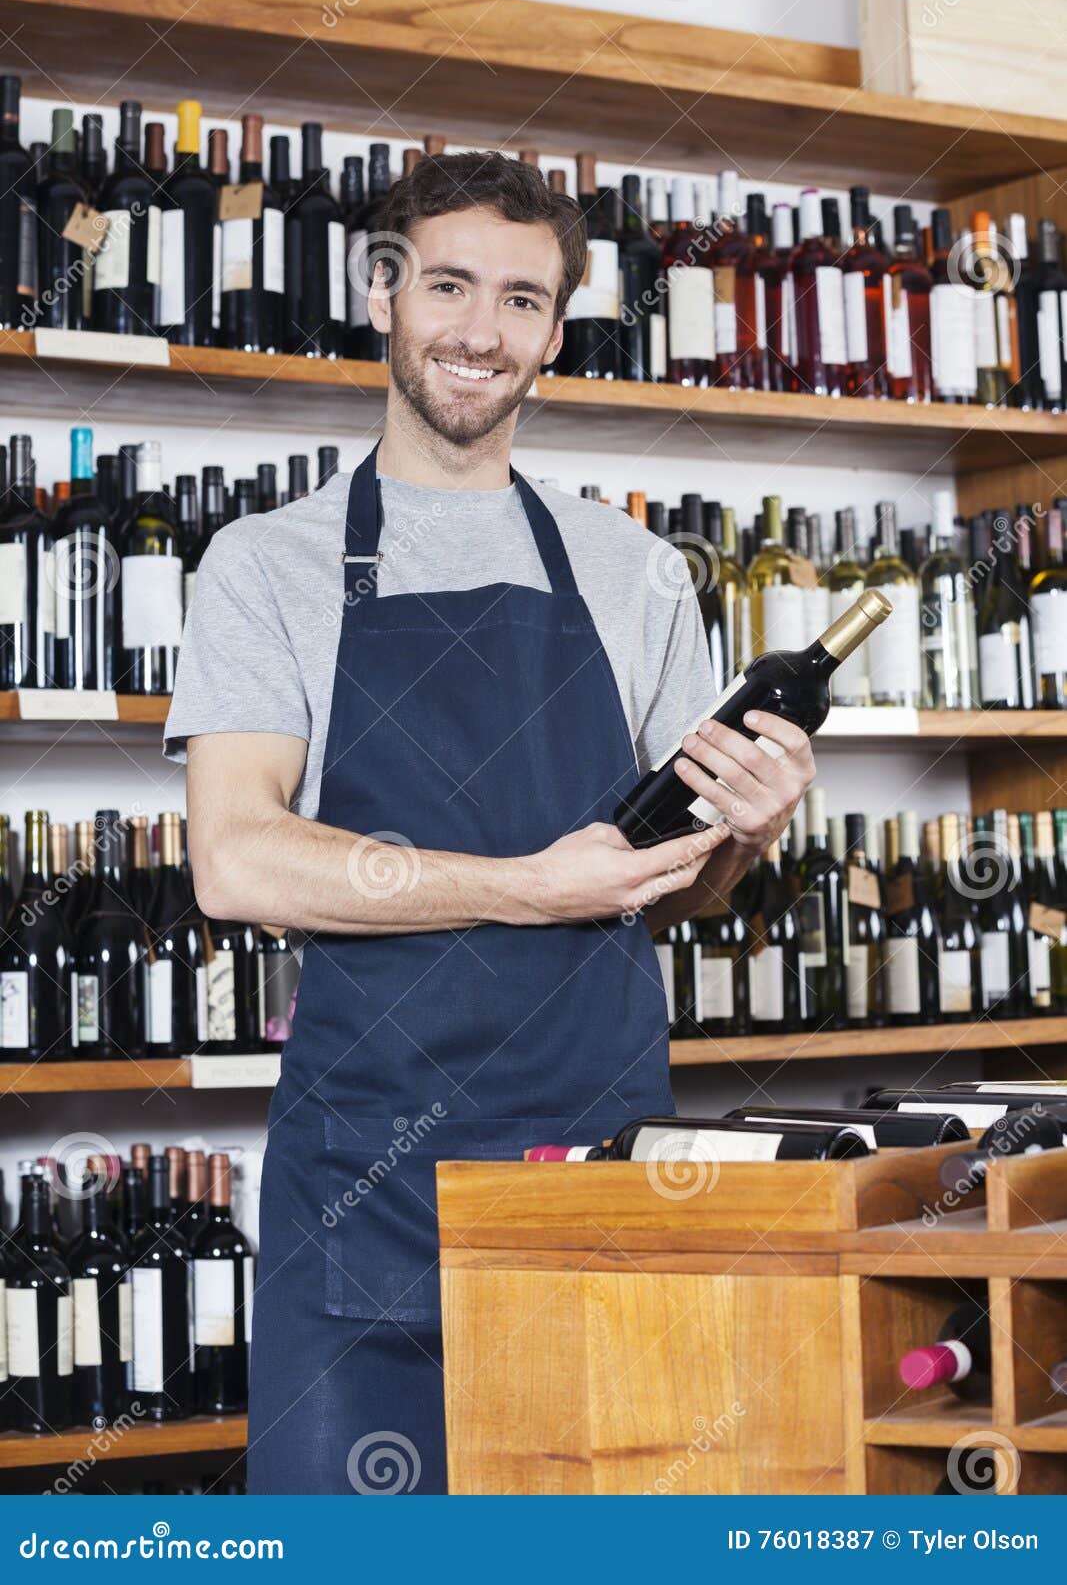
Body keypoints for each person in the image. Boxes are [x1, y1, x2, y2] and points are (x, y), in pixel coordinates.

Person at [163, 150, 815, 1494]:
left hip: (600, 1171)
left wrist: (747, 831)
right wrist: (524, 884)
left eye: (522, 299)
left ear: (556, 329)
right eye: (448, 284)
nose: (480, 330)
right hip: (366, 1192)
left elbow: (673, 884)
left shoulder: (635, 572)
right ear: (383, 292)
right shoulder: (267, 564)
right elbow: (235, 859)